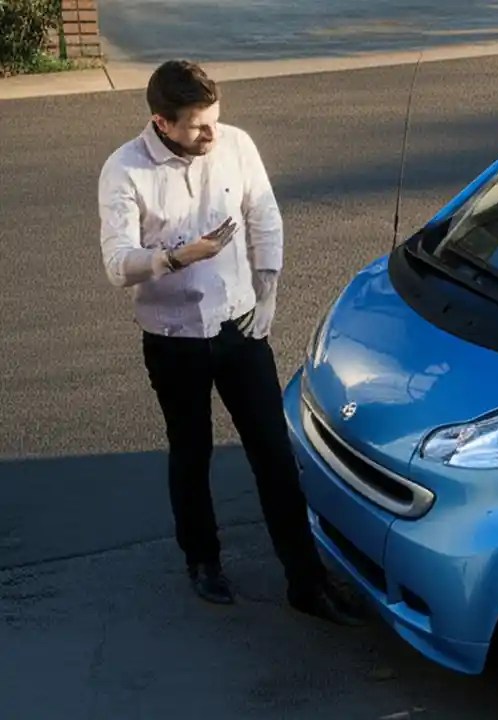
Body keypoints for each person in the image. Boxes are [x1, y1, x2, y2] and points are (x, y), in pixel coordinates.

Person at [97, 59, 362, 626]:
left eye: (215, 119)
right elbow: (117, 265)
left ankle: (305, 579)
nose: (211, 134)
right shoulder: (124, 170)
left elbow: (263, 215)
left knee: (272, 448)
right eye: (198, 125)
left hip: (241, 328)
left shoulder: (236, 145)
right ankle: (203, 560)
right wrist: (175, 257)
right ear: (162, 123)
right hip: (173, 340)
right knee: (190, 451)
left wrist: (267, 294)